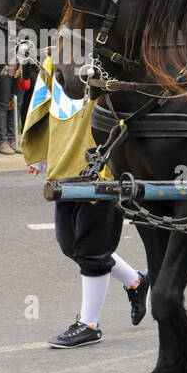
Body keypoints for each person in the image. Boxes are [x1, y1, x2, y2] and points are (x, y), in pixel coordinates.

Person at [23, 57, 150, 347]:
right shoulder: (54, 60)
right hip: (63, 163)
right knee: (70, 245)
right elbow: (42, 104)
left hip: (101, 166)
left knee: (91, 249)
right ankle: (136, 281)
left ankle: (88, 324)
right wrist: (40, 151)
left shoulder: (109, 59)